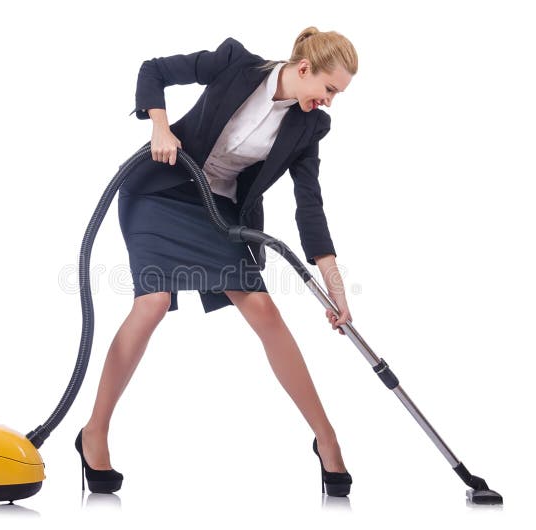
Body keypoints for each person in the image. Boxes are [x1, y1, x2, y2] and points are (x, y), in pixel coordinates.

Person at [74, 27, 358, 497]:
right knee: (152, 304)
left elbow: (310, 206)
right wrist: (160, 128)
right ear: (304, 70)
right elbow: (155, 71)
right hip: (159, 190)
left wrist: (335, 287)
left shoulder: (309, 127)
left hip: (218, 214)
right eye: (329, 90)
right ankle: (95, 432)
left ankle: (325, 438)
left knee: (265, 311)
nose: (330, 101)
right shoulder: (234, 63)